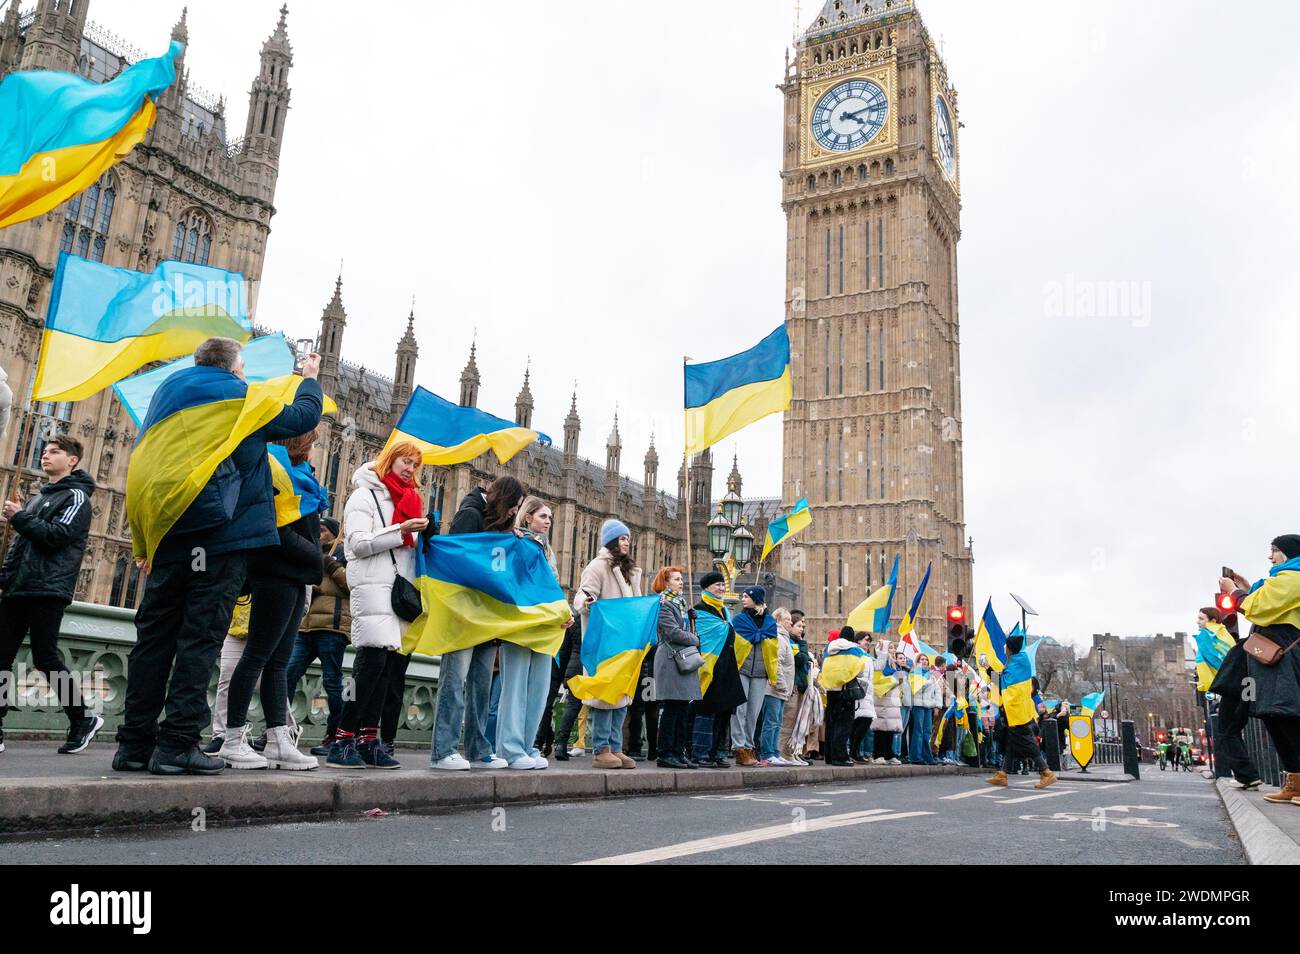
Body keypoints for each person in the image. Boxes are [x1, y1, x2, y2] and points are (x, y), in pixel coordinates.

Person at [114, 339, 323, 776]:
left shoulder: (168, 392)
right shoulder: (238, 397)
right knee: (200, 637)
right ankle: (176, 744)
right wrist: (309, 378)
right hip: (217, 539)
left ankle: (134, 745)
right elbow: (303, 417)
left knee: (154, 639)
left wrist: (142, 543)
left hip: (168, 535)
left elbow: (144, 462)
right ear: (232, 367)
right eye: (242, 367)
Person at [220, 429, 326, 770]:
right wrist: (315, 556)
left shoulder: (303, 477)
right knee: (255, 657)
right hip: (276, 573)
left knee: (278, 662)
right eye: (309, 440)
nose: (313, 446)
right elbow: (276, 529)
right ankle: (233, 738)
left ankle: (278, 738)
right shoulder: (274, 473)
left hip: (297, 576)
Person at [328, 442, 429, 770]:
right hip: (371, 590)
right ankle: (341, 738)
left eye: (415, 464)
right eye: (405, 460)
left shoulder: (409, 499)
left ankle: (368, 739)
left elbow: (406, 551)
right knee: (367, 667)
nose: (410, 468)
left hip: (396, 593)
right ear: (389, 460)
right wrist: (400, 530)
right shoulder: (363, 495)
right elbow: (356, 544)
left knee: (386, 670)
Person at [0, 435, 101, 754]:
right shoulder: (37, 496)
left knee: (45, 658)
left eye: (54, 452)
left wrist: (19, 518)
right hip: (18, 587)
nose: (45, 456)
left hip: (48, 588)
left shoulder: (76, 497)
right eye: (44, 452)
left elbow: (57, 537)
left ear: (72, 460)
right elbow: (21, 548)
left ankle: (83, 718)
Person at [430, 476, 525, 770]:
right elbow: (455, 563)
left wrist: (511, 540)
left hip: (485, 617)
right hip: (462, 615)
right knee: (454, 682)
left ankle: (477, 749)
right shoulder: (470, 514)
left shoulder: (498, 525)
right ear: (504, 500)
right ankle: (442, 751)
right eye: (514, 506)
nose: (514, 513)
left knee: (481, 687)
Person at [496, 495, 571, 770]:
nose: (548, 521)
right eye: (543, 516)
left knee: (538, 690)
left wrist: (563, 615)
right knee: (514, 689)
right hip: (521, 625)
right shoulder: (517, 544)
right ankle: (509, 749)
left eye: (550, 517)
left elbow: (551, 589)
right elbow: (513, 582)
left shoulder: (546, 550)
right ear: (527, 517)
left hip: (546, 627)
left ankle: (527, 746)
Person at [573, 519, 643, 770]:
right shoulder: (597, 566)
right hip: (604, 641)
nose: (626, 542)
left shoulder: (630, 571)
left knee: (622, 696)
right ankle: (601, 749)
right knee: (605, 695)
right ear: (612, 541)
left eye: (628, 538)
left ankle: (616, 747)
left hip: (626, 642)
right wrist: (586, 602)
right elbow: (582, 595)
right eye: (622, 538)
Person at [286, 516, 351, 757]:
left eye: (323, 530)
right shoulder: (310, 551)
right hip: (306, 626)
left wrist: (331, 566)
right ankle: (281, 729)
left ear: (333, 534)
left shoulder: (344, 553)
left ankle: (334, 737)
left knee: (332, 683)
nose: (320, 534)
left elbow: (350, 586)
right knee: (288, 674)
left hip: (332, 628)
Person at [689, 571, 746, 768]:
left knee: (723, 711)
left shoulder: (724, 611)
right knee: (706, 710)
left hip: (725, 667)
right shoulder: (699, 610)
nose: (721, 588)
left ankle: (718, 752)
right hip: (709, 667)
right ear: (706, 588)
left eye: (723, 585)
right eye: (717, 585)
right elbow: (701, 639)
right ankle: (700, 752)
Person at [1201, 606, 1262, 789]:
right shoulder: (1230, 638)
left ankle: (1248, 775)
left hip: (1234, 689)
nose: (1198, 622)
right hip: (1244, 686)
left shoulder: (1210, 638)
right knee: (1233, 729)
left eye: (1201, 618)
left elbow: (1218, 663)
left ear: (1212, 621)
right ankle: (1248, 775)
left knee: (1227, 731)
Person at [986, 633, 1056, 789]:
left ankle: (1046, 772)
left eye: (1006, 646)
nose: (1004, 648)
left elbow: (1002, 683)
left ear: (1010, 649)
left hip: (1017, 712)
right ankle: (1003, 774)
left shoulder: (1014, 665)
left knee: (1027, 742)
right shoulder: (1020, 660)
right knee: (1011, 743)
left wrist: (988, 669)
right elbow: (1003, 679)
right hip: (1020, 710)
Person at [651, 566, 701, 769]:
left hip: (682, 658)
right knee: (671, 708)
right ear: (666, 582)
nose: (681, 582)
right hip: (670, 659)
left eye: (681, 579)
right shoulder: (663, 604)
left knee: (682, 709)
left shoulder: (680, 603)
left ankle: (678, 753)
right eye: (676, 579)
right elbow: (672, 632)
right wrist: (694, 639)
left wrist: (691, 620)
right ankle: (665, 753)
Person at [730, 585, 778, 767]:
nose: (743, 599)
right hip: (742, 670)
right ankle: (739, 747)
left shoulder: (769, 622)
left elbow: (773, 649)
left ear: (755, 598)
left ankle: (750, 746)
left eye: (746, 596)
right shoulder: (740, 620)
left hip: (760, 673)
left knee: (754, 713)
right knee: (739, 711)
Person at [757, 607, 797, 766]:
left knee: (777, 722)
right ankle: (767, 753)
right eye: (787, 620)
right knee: (771, 722)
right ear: (779, 620)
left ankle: (774, 752)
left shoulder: (784, 638)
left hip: (780, 690)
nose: (790, 623)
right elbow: (776, 664)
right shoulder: (779, 638)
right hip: (774, 689)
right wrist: (782, 685)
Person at [779, 610, 810, 764]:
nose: (801, 629)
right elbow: (802, 658)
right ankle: (783, 753)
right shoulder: (791, 643)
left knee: (795, 724)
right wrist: (803, 644)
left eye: (802, 627)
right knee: (787, 722)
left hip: (799, 686)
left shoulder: (795, 642)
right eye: (798, 625)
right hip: (792, 686)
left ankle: (790, 753)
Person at [869, 641, 903, 765]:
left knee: (890, 728)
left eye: (893, 647)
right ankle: (878, 754)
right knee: (881, 728)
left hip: (892, 699)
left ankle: (889, 754)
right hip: (882, 698)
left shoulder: (894, 664)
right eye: (890, 648)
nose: (893, 650)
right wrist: (894, 682)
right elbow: (878, 680)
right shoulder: (881, 662)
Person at [850, 632, 876, 763]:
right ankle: (853, 752)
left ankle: (855, 752)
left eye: (869, 640)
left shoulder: (868, 657)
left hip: (867, 694)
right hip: (858, 692)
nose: (868, 642)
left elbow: (880, 667)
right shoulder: (856, 653)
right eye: (866, 640)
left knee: (863, 722)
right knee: (859, 723)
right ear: (858, 640)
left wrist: (882, 652)